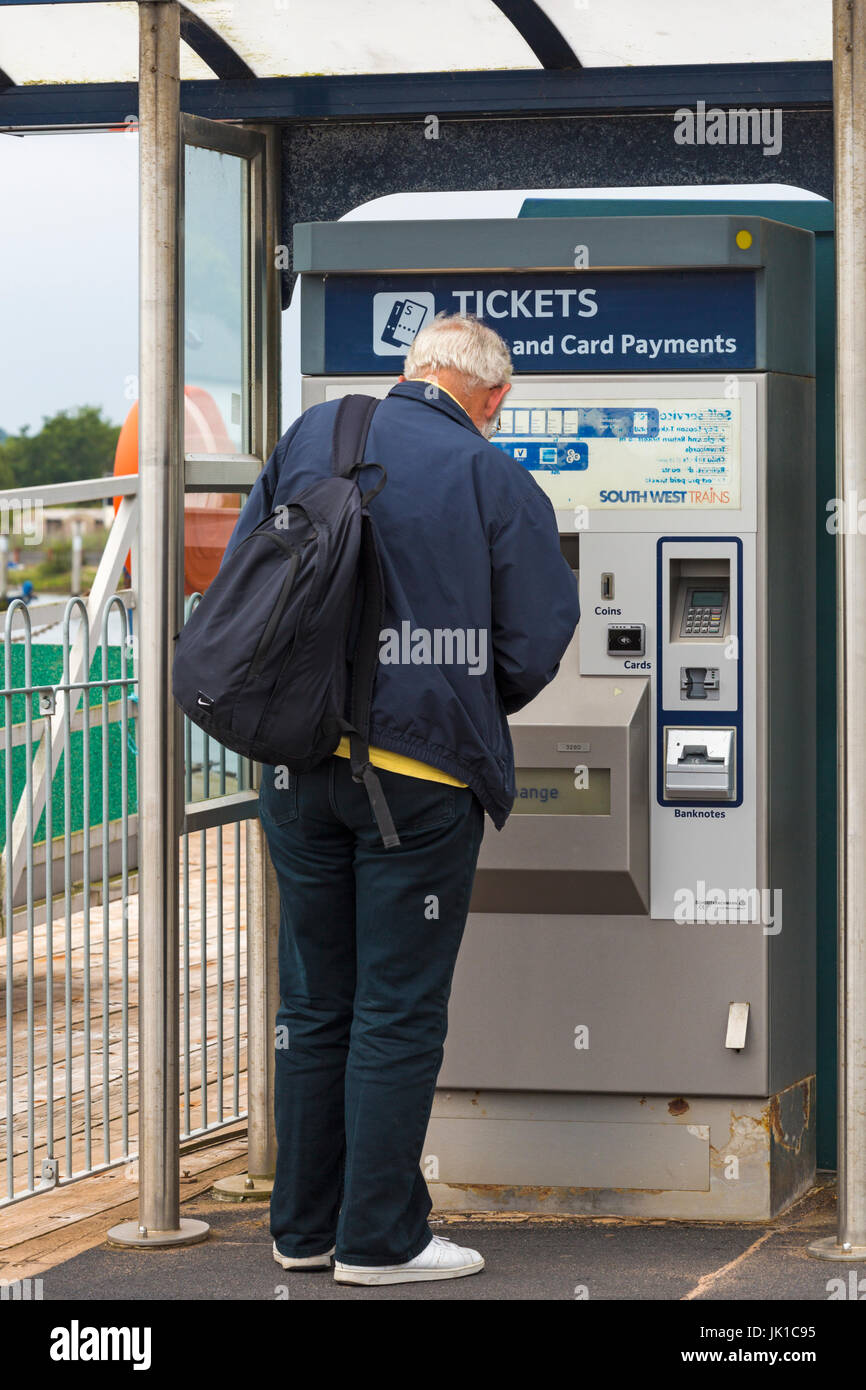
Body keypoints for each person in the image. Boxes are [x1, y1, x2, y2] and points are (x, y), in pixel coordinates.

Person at [224, 313, 580, 1286]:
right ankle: (380, 1239)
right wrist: (458, 705)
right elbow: (536, 636)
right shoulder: (491, 476)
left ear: (408, 370)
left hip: (297, 773)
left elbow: (243, 578)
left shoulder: (316, 435)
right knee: (397, 1007)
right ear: (492, 398)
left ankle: (302, 1228)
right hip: (415, 785)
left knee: (314, 1001)